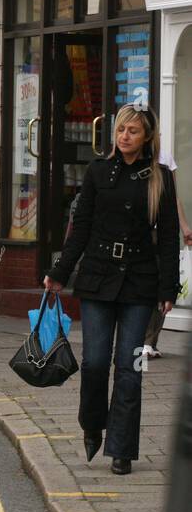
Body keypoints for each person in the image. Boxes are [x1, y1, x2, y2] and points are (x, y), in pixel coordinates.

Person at [44, 104, 180, 476]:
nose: (124, 137)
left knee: (130, 367)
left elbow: (168, 238)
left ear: (146, 137)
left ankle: (122, 449)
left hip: (140, 284)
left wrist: (169, 288)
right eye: (121, 130)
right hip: (97, 278)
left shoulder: (161, 178)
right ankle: (92, 425)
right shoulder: (98, 171)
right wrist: (59, 272)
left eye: (133, 131)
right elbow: (81, 226)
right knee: (94, 362)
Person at [142, 146, 192, 358]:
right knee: (143, 284)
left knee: (162, 283)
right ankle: (142, 341)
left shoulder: (164, 157)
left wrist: (184, 227)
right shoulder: (123, 155)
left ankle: (150, 341)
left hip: (160, 232)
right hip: (139, 234)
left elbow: (173, 199)